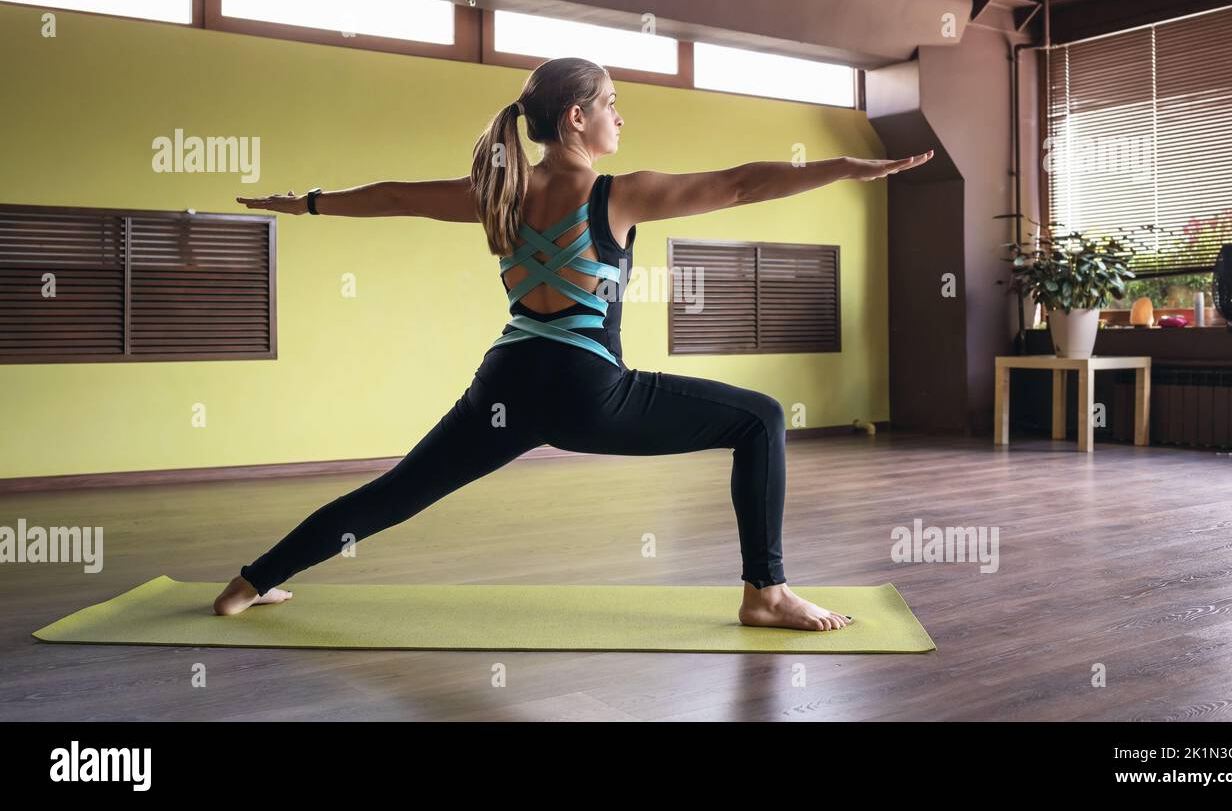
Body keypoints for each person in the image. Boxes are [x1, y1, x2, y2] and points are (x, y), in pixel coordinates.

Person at [216, 56, 934, 630]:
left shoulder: (494, 192)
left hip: (504, 387)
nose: (622, 114)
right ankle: (765, 593)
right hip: (591, 393)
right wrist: (844, 167)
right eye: (613, 101)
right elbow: (741, 185)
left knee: (398, 492)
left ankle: (251, 583)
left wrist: (305, 203)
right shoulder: (617, 194)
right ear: (576, 117)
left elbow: (393, 195)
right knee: (762, 419)